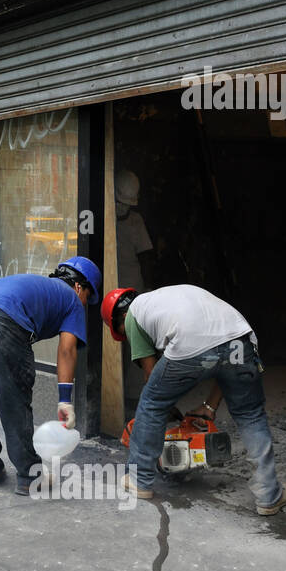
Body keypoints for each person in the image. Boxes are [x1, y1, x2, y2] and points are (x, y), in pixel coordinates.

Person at [101, 284, 286, 514]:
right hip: (239, 337)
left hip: (190, 341)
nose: (127, 336)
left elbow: (152, 377)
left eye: (122, 332)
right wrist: (209, 406)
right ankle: (269, 496)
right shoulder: (165, 299)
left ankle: (139, 479)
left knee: (151, 403)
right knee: (250, 414)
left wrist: (164, 406)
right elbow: (223, 366)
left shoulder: (133, 315)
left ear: (121, 316)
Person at [0, 256, 101, 492]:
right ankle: (29, 474)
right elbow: (67, 351)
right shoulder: (73, 300)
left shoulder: (43, 286)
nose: (85, 304)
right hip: (2, 321)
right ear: (80, 286)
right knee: (15, 400)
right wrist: (65, 401)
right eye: (88, 297)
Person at [115, 170, 155, 417]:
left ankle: (132, 395)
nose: (123, 209)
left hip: (133, 288)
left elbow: (146, 256)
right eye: (120, 203)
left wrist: (149, 291)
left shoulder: (136, 221)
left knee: (135, 344)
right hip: (109, 288)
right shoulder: (101, 215)